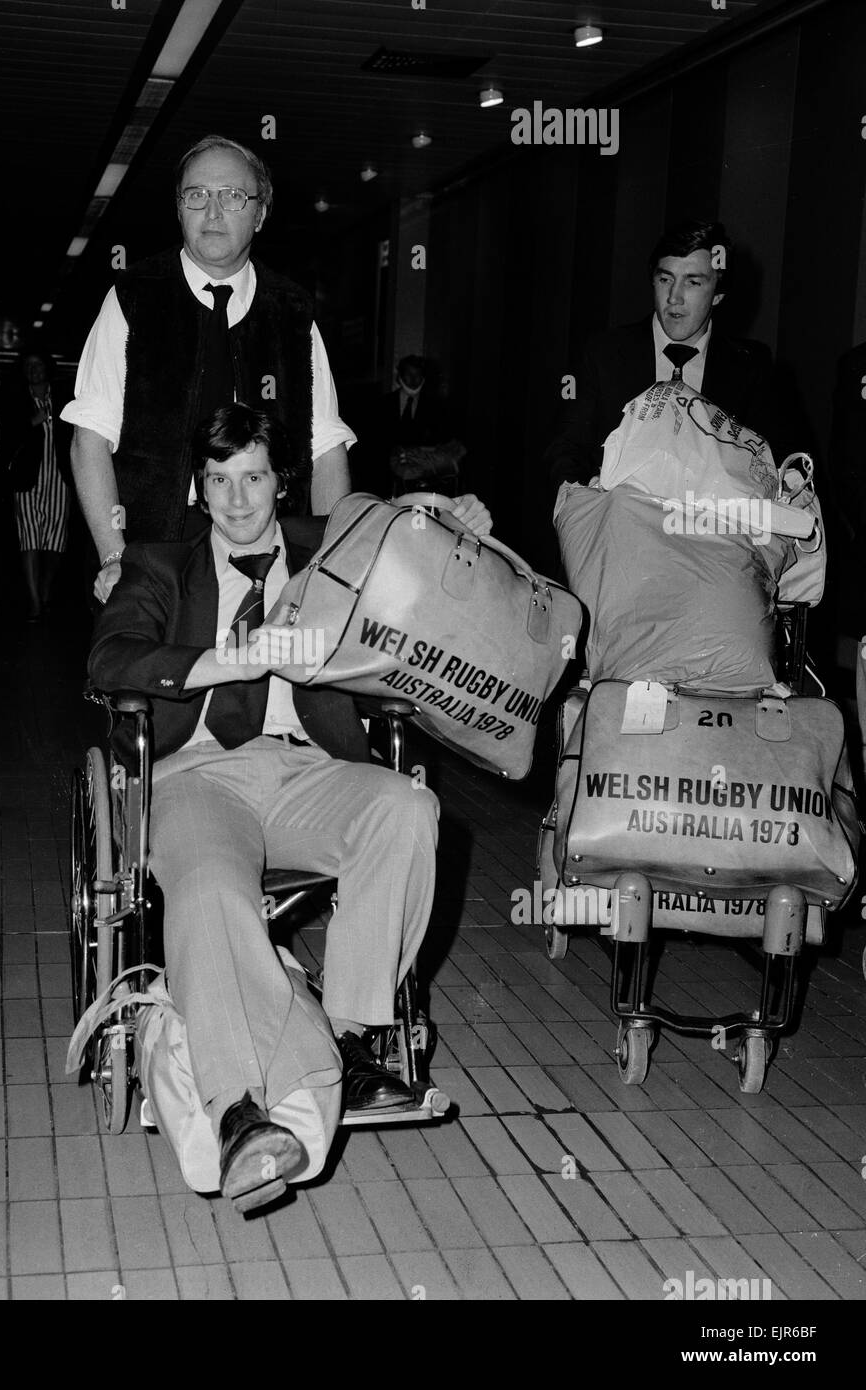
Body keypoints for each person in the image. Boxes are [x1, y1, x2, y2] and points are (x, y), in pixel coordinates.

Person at [89, 402, 492, 1213]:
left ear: (283, 480)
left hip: (308, 769)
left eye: (255, 478)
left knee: (407, 808)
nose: (239, 501)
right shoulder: (161, 564)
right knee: (208, 886)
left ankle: (352, 1037)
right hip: (200, 774)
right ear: (198, 491)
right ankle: (241, 1106)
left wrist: (463, 530)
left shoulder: (331, 551)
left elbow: (425, 567)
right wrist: (216, 660)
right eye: (218, 482)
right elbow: (111, 659)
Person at [65, 134, 356, 603]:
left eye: (233, 196)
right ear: (179, 209)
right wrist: (115, 558)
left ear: (260, 214)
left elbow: (325, 451)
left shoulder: (292, 310)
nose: (213, 212)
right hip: (156, 553)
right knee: (158, 676)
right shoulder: (134, 296)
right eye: (196, 195)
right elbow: (89, 439)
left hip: (271, 556)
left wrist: (330, 567)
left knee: (256, 673)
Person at [545, 219, 802, 489]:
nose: (674, 297)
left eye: (692, 282)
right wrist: (594, 499)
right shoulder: (603, 354)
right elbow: (564, 450)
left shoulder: (753, 367)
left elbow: (783, 461)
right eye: (665, 279)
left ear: (718, 295)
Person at [9, 350, 72, 620]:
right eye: (29, 366)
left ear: (48, 368)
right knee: (30, 539)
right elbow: (6, 437)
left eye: (38, 365)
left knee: (56, 542)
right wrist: (28, 424)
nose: (34, 370)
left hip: (59, 479)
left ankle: (45, 591)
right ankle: (35, 601)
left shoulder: (64, 401)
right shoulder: (16, 400)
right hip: (27, 481)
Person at [380, 355, 465, 497]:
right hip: (388, 480)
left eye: (418, 375)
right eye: (409, 374)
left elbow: (443, 439)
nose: (413, 380)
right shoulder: (384, 404)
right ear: (400, 375)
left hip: (422, 481)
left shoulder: (436, 406)